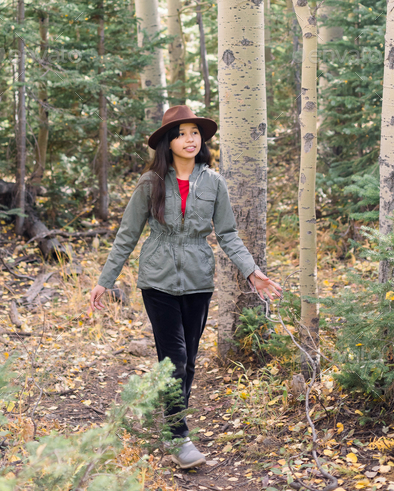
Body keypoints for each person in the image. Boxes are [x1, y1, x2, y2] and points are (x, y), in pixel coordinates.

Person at [90, 105, 281, 469]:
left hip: (197, 280)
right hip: (157, 281)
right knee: (174, 359)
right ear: (167, 142)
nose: (189, 139)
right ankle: (178, 437)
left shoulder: (213, 183)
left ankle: (172, 423)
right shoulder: (149, 184)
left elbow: (227, 234)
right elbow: (127, 235)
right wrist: (105, 281)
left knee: (189, 361)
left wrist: (251, 271)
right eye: (181, 134)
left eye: (194, 132)